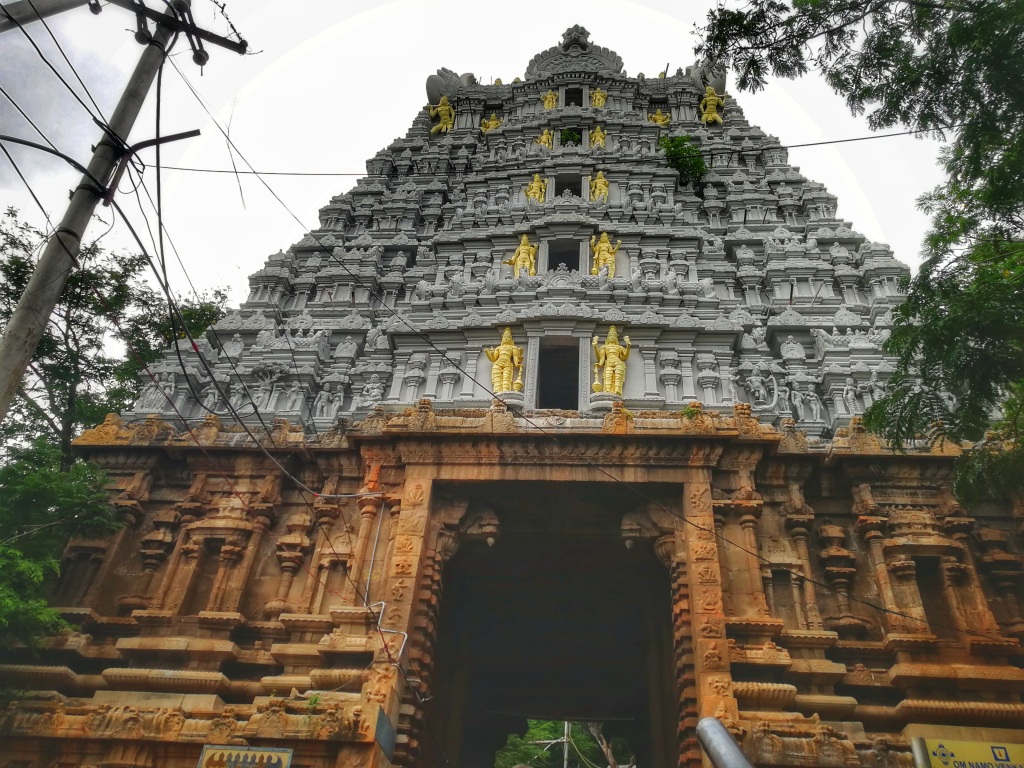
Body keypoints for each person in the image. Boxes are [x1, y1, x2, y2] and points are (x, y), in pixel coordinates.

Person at [593, 326, 632, 395]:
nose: (612, 337)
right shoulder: (604, 347)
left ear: (616, 337)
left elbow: (624, 357)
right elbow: (601, 358)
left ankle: (617, 390)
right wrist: (595, 347)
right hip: (608, 363)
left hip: (618, 363)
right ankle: (607, 391)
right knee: (608, 376)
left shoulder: (619, 347)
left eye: (614, 335)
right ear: (608, 337)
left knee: (618, 376)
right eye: (610, 335)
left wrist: (628, 347)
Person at [484, 327, 524, 393]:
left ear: (511, 339)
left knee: (506, 380)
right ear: (502, 338)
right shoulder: (499, 348)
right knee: (497, 380)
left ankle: (505, 392)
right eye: (504, 337)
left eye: (508, 337)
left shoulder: (513, 348)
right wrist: (489, 353)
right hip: (497, 364)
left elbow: (516, 359)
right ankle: (496, 392)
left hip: (507, 365)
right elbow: (493, 359)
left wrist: (519, 360)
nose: (506, 338)